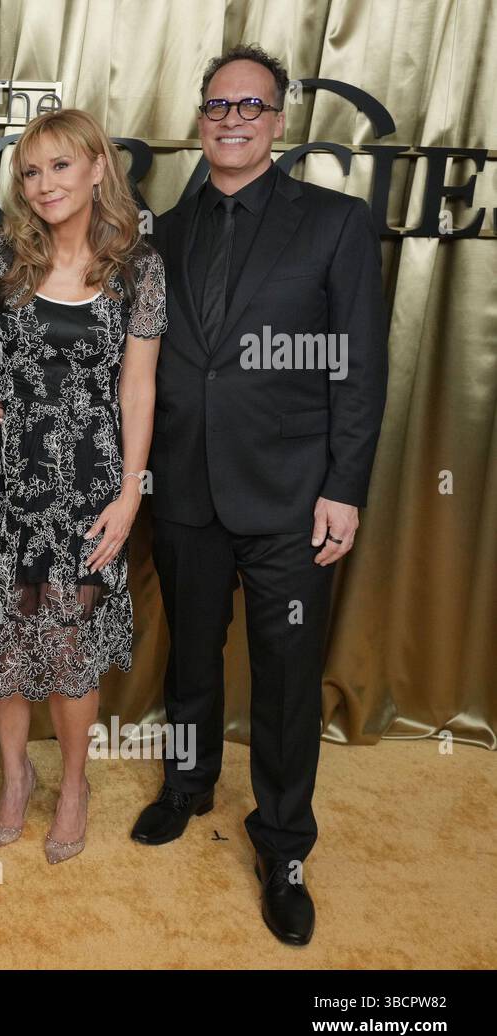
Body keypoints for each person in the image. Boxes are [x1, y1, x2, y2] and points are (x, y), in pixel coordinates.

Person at [138, 45, 388, 944]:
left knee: (286, 679)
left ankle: (282, 846)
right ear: (199, 119)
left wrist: (344, 488)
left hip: (292, 497)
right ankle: (186, 784)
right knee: (190, 654)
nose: (232, 119)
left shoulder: (335, 223)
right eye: (216, 105)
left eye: (251, 106)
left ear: (280, 121)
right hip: (186, 485)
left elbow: (357, 369)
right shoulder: (161, 230)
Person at [0, 109, 165, 863]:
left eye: (61, 167)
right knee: (9, 627)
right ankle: (15, 776)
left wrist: (131, 492)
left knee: (68, 639)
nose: (44, 185)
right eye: (31, 172)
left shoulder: (138, 267)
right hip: (1, 477)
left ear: (98, 168)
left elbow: (139, 390)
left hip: (89, 484)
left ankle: (74, 784)